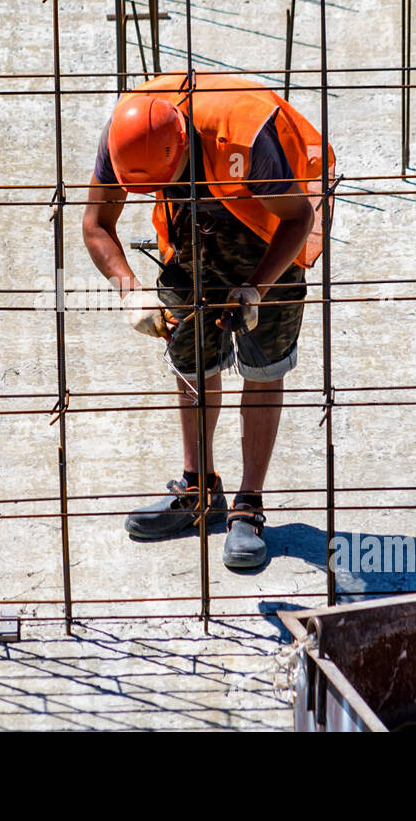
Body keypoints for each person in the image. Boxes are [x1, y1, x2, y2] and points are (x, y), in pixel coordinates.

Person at [81, 72, 333, 569]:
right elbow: (96, 224)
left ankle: (248, 505)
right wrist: (129, 291)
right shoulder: (123, 137)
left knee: (263, 367)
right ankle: (200, 492)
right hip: (193, 232)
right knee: (190, 358)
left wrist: (256, 287)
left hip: (269, 232)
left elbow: (298, 216)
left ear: (180, 147)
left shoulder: (245, 136)